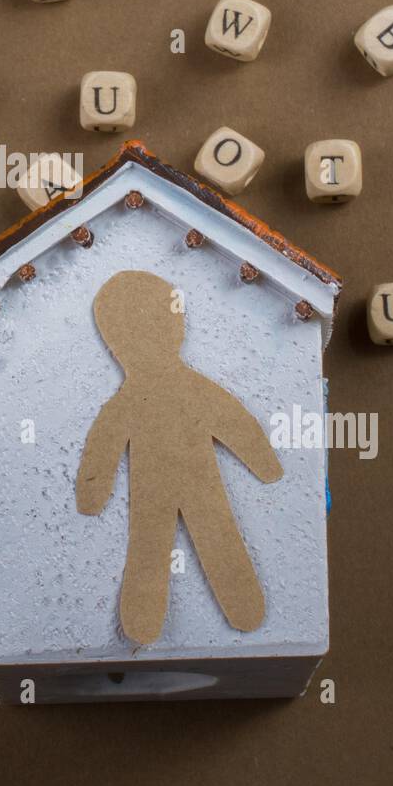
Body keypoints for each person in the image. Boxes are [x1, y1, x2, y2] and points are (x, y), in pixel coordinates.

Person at [76, 270, 283, 645]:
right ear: (176, 327)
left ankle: (159, 622)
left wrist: (93, 496)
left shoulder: (131, 402)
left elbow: (102, 448)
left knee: (161, 547)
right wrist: (266, 465)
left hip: (173, 487)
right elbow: (236, 422)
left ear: (115, 343)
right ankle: (157, 623)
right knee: (201, 540)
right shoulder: (177, 391)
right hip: (174, 487)